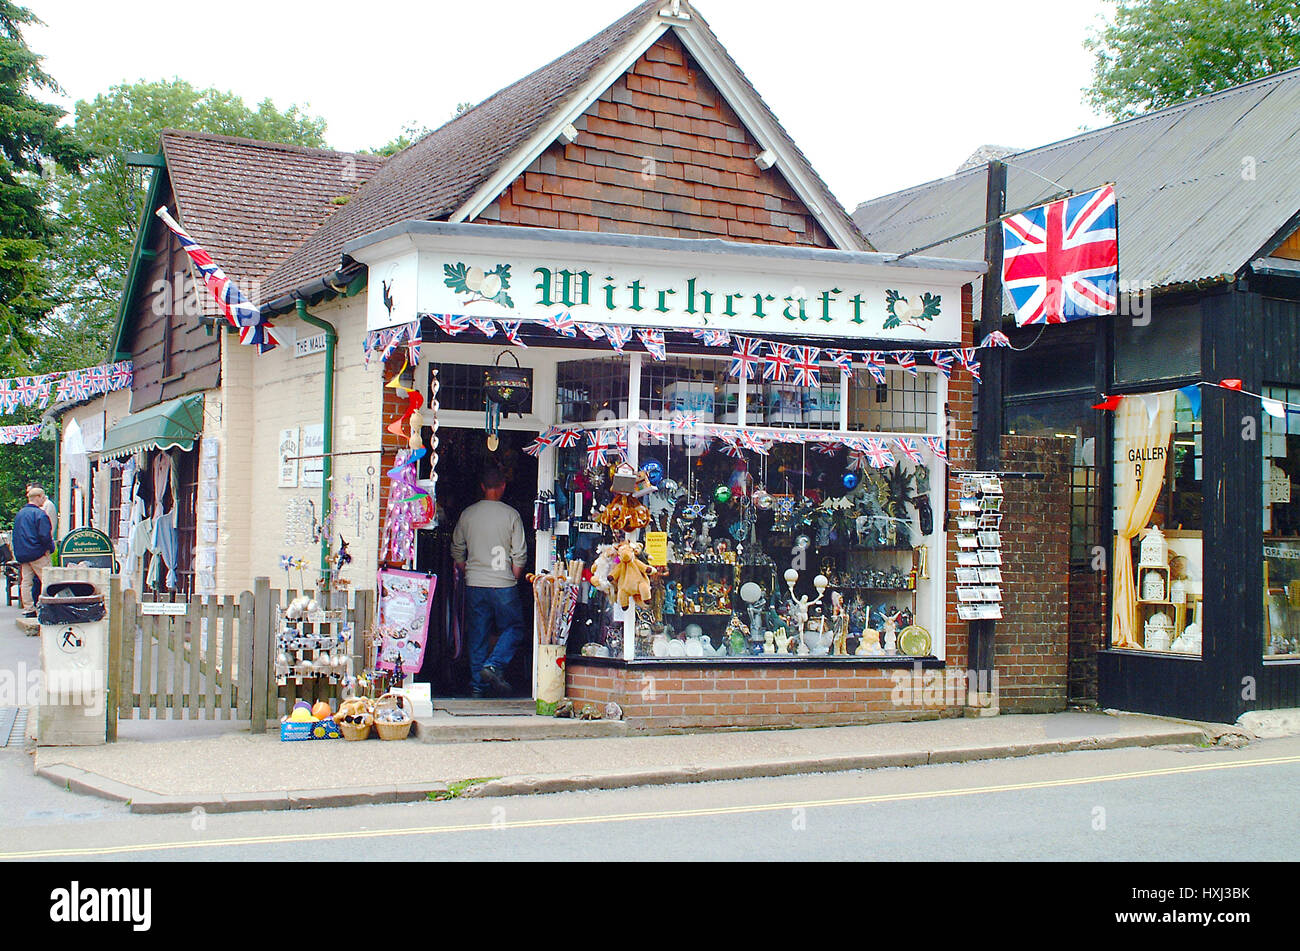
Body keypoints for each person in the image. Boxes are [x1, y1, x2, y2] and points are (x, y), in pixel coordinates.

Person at [450, 466, 528, 697]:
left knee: (477, 634)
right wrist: (513, 575)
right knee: (514, 627)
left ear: (482, 486)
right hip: (503, 583)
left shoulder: (468, 514)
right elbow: (519, 553)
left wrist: (467, 570)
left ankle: (477, 686)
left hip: (475, 582)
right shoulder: (511, 515)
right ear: (503, 486)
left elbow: (457, 549)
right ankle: (494, 664)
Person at [13, 487, 56, 619]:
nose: (44, 499)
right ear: (37, 497)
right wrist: (50, 548)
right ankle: (45, 605)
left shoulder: (20, 514)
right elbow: (45, 535)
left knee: (26, 581)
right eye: (43, 497)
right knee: (48, 579)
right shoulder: (40, 514)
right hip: (38, 553)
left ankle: (29, 608)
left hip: (23, 553)